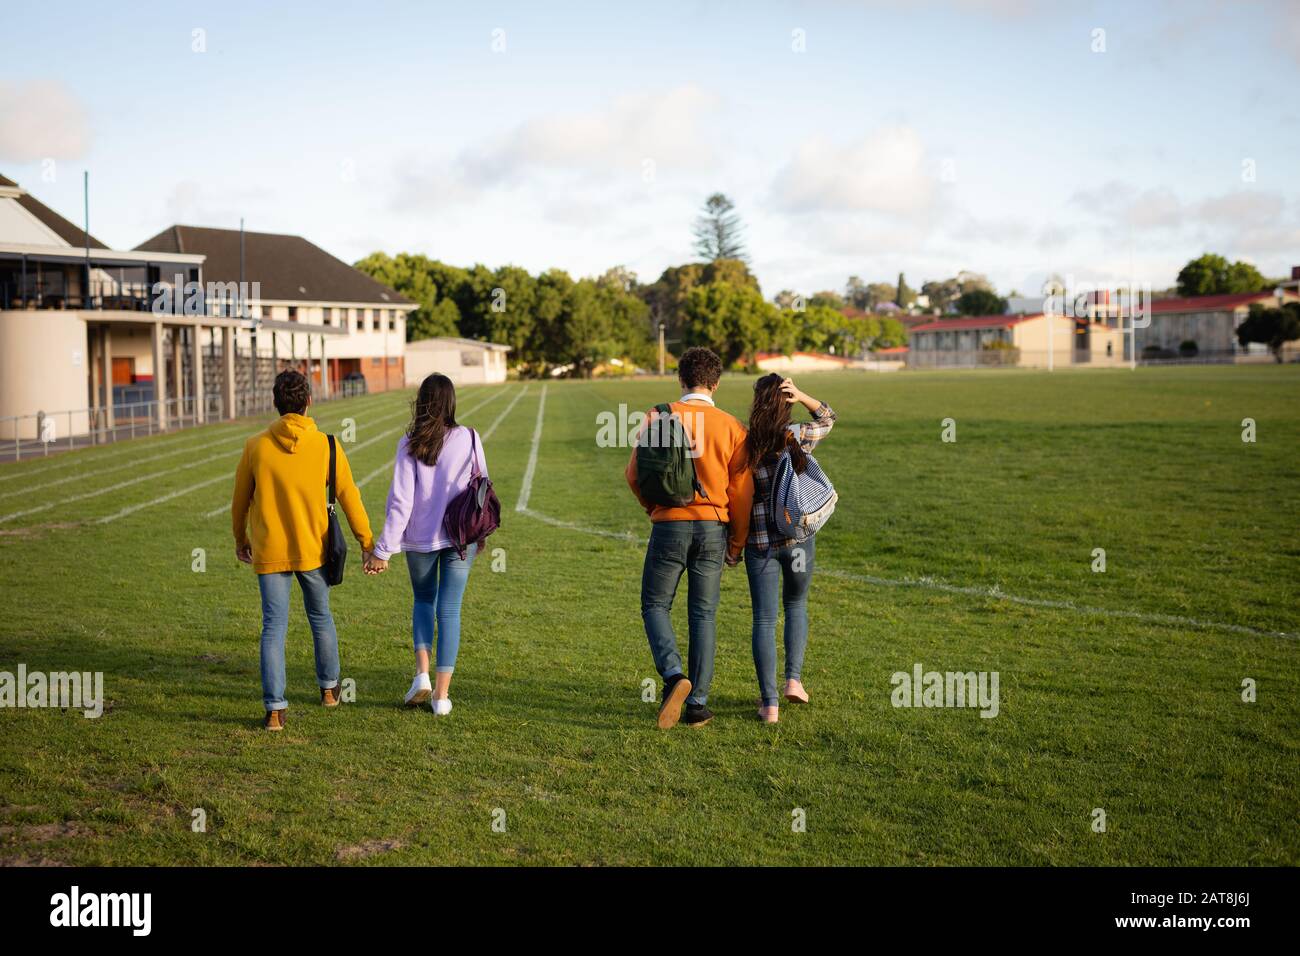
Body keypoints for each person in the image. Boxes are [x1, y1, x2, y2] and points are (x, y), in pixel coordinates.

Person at [232, 369, 375, 732]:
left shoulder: (255, 446)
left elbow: (239, 502)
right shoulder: (327, 444)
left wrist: (240, 539)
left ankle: (275, 711)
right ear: (309, 401)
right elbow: (349, 496)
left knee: (273, 628)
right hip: (314, 549)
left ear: (276, 404)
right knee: (321, 618)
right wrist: (367, 542)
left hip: (270, 552)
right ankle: (329, 691)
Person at [626, 347, 753, 729]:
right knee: (704, 614)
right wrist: (737, 543)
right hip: (714, 527)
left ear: (681, 379)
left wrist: (655, 510)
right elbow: (742, 492)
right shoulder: (732, 426)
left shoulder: (659, 415)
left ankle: (673, 675)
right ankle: (697, 703)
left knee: (654, 605)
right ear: (715, 384)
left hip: (669, 524)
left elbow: (634, 474)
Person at [364, 373, 485, 716]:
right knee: (450, 610)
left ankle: (422, 675)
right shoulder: (470, 438)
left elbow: (401, 502)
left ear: (421, 402)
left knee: (423, 600)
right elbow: (482, 490)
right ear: (451, 402)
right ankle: (442, 698)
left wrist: (382, 550)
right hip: (461, 538)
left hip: (420, 539)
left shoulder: (409, 443)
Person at [742, 375, 837, 724]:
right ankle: (793, 681)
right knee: (796, 604)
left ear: (757, 401)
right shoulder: (796, 435)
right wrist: (802, 395)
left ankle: (769, 705)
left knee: (764, 619)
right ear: (787, 401)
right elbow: (828, 418)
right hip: (797, 542)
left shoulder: (745, 441)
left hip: (761, 546)